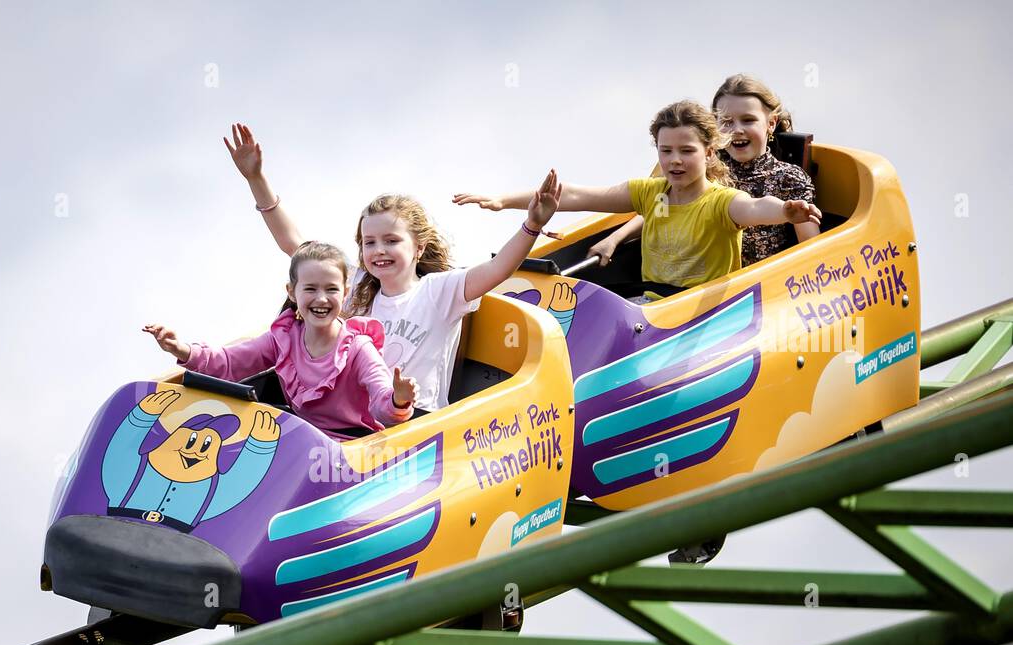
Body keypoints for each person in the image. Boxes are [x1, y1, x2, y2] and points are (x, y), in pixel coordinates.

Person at [223, 123, 561, 409]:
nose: (378, 251)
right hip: (357, 421)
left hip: (415, 422)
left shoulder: (440, 291)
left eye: (391, 241)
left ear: (418, 247)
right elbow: (294, 244)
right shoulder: (353, 287)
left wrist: (531, 225)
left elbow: (499, 269)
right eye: (369, 243)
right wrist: (256, 178)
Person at [452, 99, 821, 302]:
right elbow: (579, 194)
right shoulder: (651, 193)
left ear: (709, 152)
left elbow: (756, 208)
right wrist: (503, 200)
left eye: (686, 151)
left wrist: (786, 211)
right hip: (650, 308)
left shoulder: (722, 202)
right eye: (666, 150)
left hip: (701, 312)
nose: (675, 160)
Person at [143, 240, 417, 437]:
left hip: (349, 450)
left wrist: (398, 399)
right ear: (292, 291)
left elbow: (382, 404)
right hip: (302, 444)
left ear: (344, 293)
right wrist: (181, 349)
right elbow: (229, 363)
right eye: (310, 288)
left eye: (331, 289)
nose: (321, 298)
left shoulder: (357, 348)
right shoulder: (284, 339)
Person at [589, 75, 818, 270]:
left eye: (748, 120)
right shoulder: (700, 165)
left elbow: (812, 250)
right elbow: (657, 207)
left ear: (770, 124)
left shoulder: (789, 178)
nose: (737, 130)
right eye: (726, 121)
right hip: (694, 277)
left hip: (754, 290)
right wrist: (615, 239)